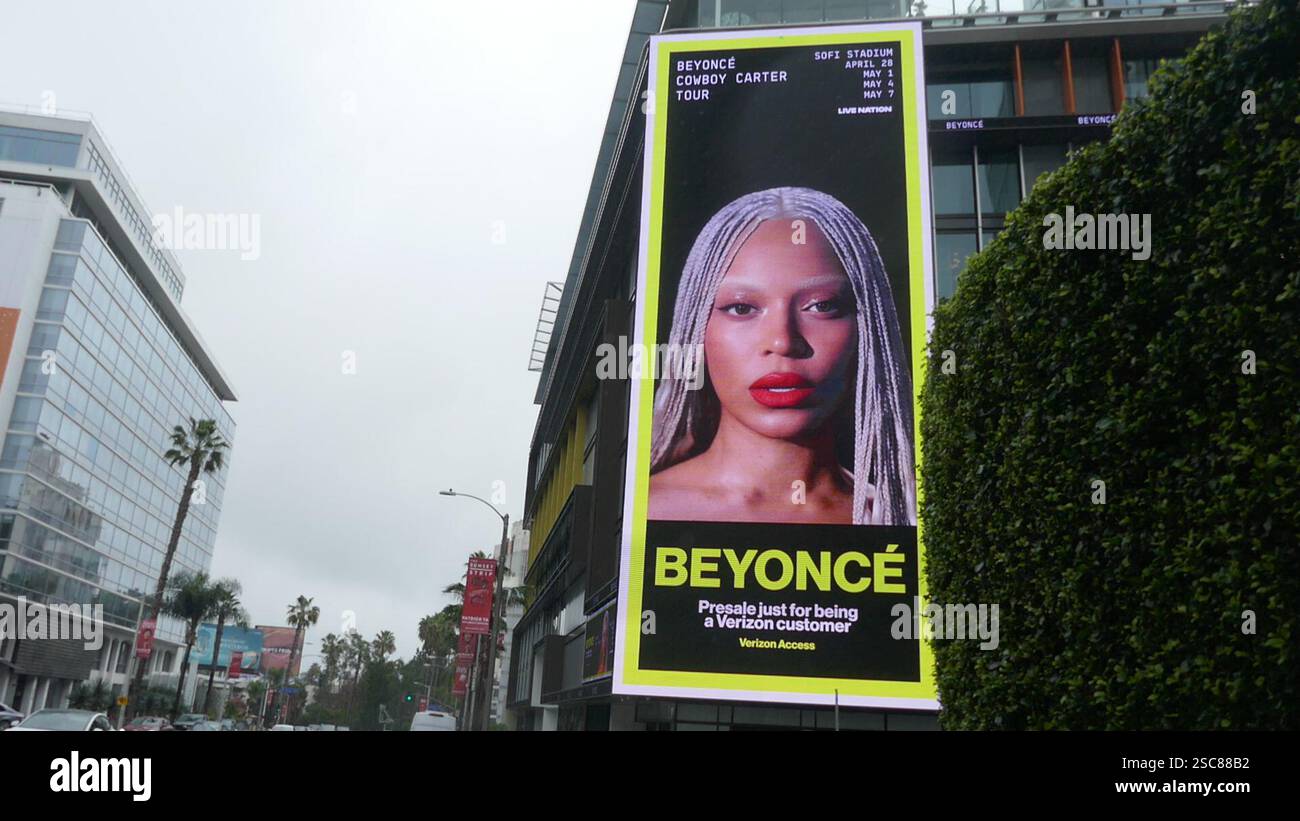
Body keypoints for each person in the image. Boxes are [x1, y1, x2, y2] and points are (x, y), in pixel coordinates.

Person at [648, 187, 915, 526]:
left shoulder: (902, 519)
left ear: (869, 328)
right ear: (696, 327)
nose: (783, 341)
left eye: (822, 306)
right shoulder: (643, 513)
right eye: (741, 308)